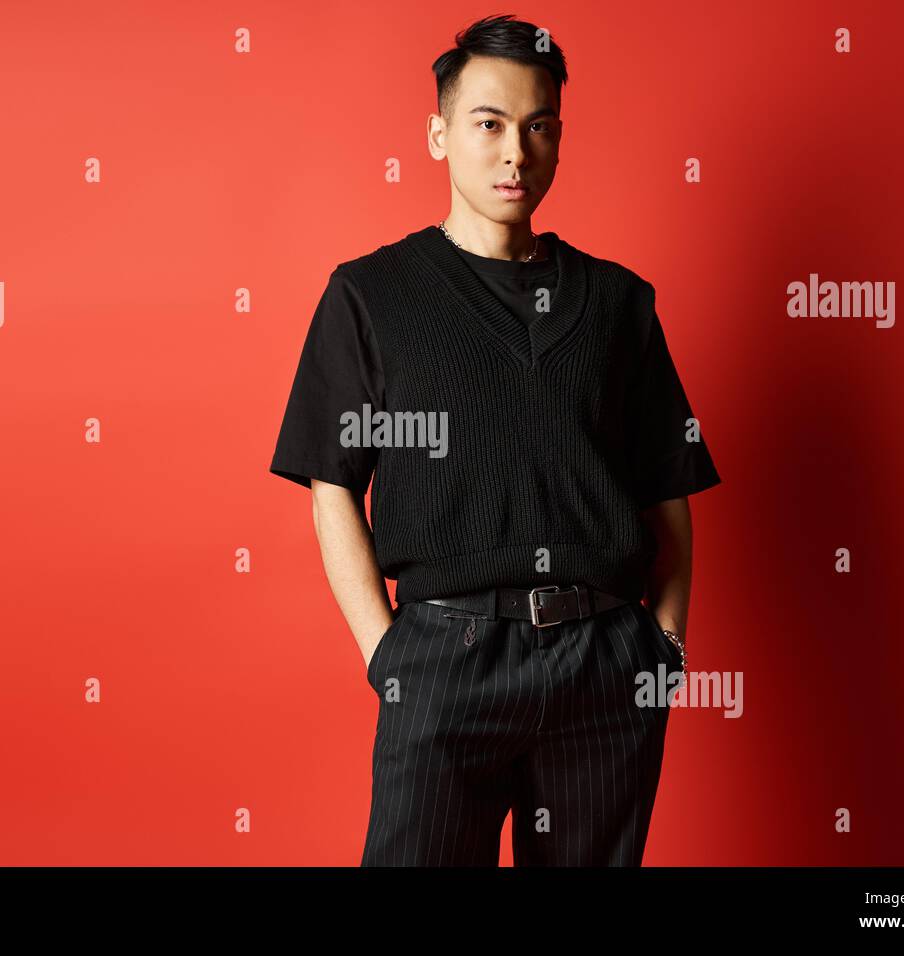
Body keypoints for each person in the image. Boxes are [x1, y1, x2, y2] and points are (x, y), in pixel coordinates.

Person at [268, 13, 720, 866]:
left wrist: (661, 646)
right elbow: (331, 482)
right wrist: (387, 653)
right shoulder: (373, 295)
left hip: (603, 662)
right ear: (438, 134)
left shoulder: (620, 304)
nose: (516, 151)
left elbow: (668, 487)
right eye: (490, 124)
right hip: (445, 656)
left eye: (538, 126)